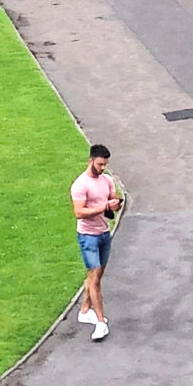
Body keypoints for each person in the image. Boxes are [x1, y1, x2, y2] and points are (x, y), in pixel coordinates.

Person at [72, 146, 121, 342]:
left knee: (96, 276)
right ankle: (101, 322)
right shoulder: (80, 185)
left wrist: (115, 204)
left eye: (105, 165)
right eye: (100, 164)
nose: (103, 168)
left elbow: (112, 201)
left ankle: (84, 310)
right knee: (94, 277)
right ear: (91, 160)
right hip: (88, 236)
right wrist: (104, 207)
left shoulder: (107, 180)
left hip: (103, 233)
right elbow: (79, 212)